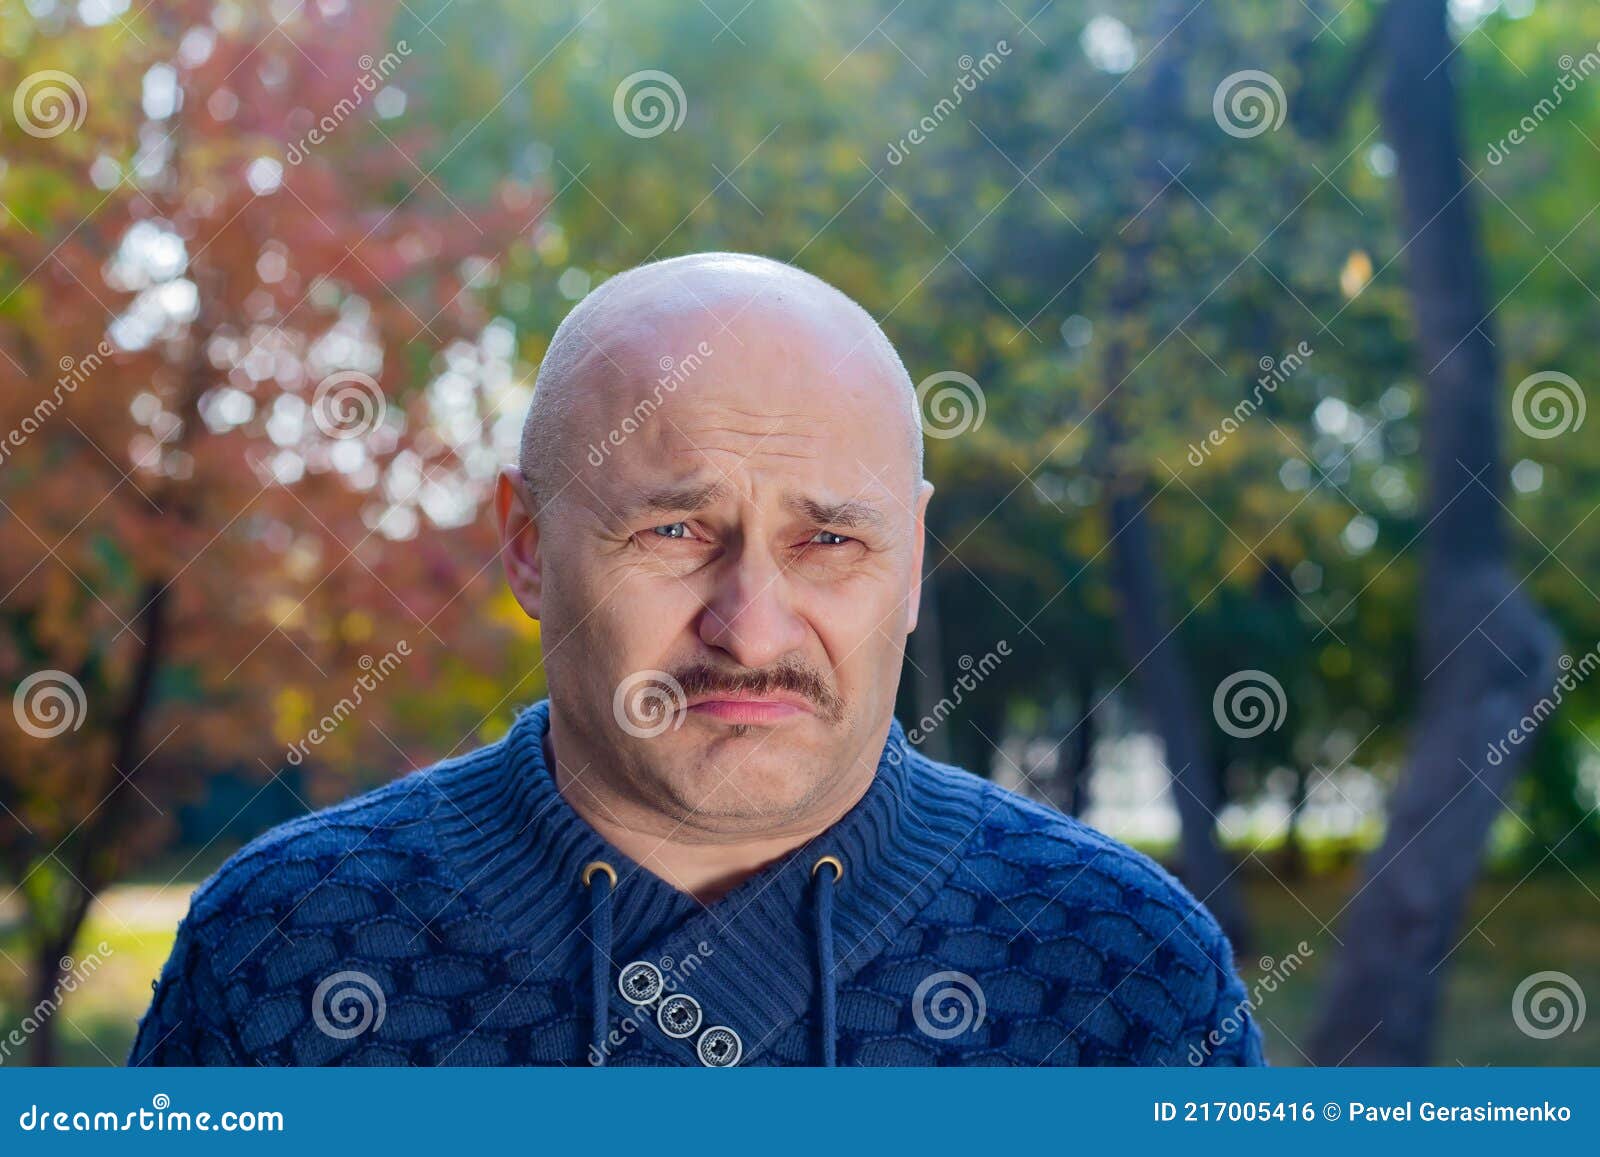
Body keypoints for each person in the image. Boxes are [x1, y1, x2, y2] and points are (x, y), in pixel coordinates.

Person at [129, 252, 1262, 1066]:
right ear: (527, 545)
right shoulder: (287, 947)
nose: (753, 627)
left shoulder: (1121, 971)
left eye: (829, 540)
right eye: (673, 532)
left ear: (911, 560)